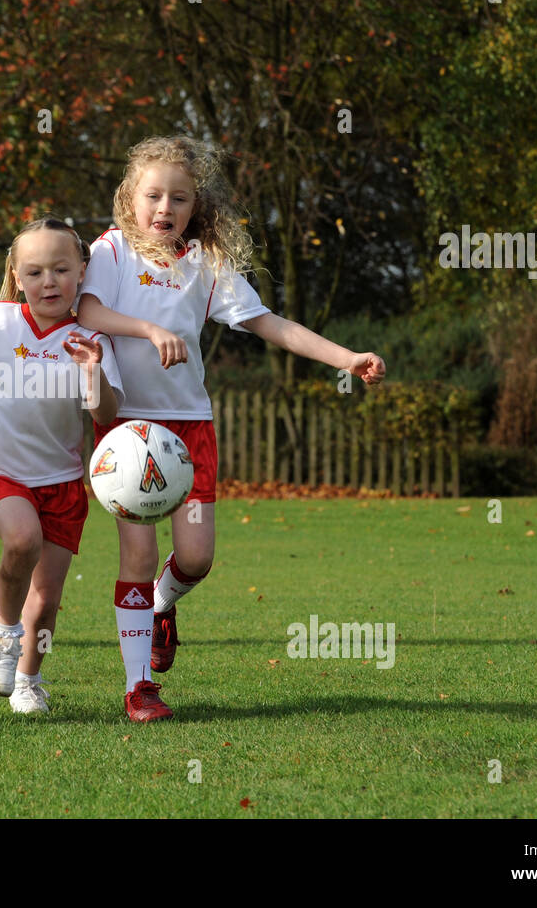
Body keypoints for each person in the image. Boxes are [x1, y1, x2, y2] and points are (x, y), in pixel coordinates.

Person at [76, 136, 386, 722]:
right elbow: (88, 313)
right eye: (154, 195)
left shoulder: (205, 263)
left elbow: (270, 323)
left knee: (196, 557)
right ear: (129, 198)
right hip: (126, 430)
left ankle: (165, 606)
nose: (164, 208)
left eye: (180, 198)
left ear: (197, 207)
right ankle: (138, 686)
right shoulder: (111, 251)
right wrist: (147, 330)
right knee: (137, 558)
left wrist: (346, 359)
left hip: (189, 430)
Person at [0, 218, 122, 714]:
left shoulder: (95, 339)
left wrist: (93, 372)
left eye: (61, 269)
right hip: (0, 472)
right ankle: (3, 632)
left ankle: (28, 680)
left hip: (63, 484)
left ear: (82, 272)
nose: (49, 281)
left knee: (45, 598)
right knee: (22, 540)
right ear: (17, 276)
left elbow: (104, 414)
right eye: (36, 271)